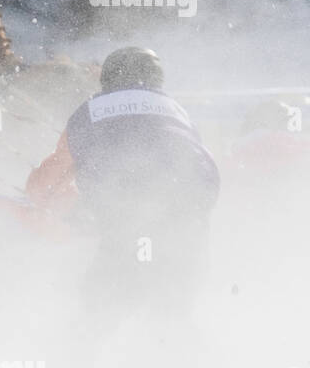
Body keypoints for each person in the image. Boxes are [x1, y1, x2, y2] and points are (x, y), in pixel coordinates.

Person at [26, 47, 220, 317]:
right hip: (195, 201)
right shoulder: (176, 110)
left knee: (99, 311)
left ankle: (85, 342)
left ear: (108, 78)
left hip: (131, 213)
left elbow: (43, 187)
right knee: (177, 307)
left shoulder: (90, 111)